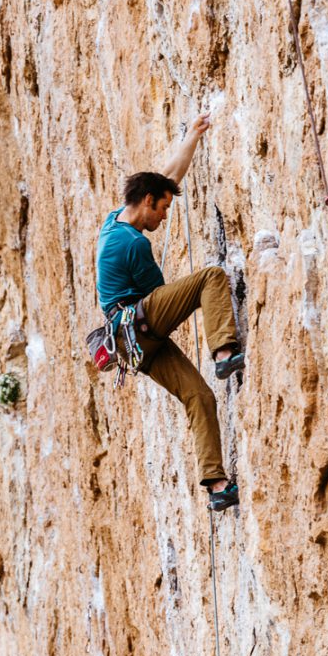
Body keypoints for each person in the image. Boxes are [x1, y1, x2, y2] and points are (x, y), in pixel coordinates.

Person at [95, 114, 245, 511]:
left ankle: (217, 487)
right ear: (146, 203)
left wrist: (191, 137)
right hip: (139, 323)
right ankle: (225, 352)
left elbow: (164, 178)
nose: (164, 216)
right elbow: (160, 296)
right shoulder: (132, 246)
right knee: (211, 278)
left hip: (132, 346)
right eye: (161, 209)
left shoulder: (114, 222)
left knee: (198, 395)